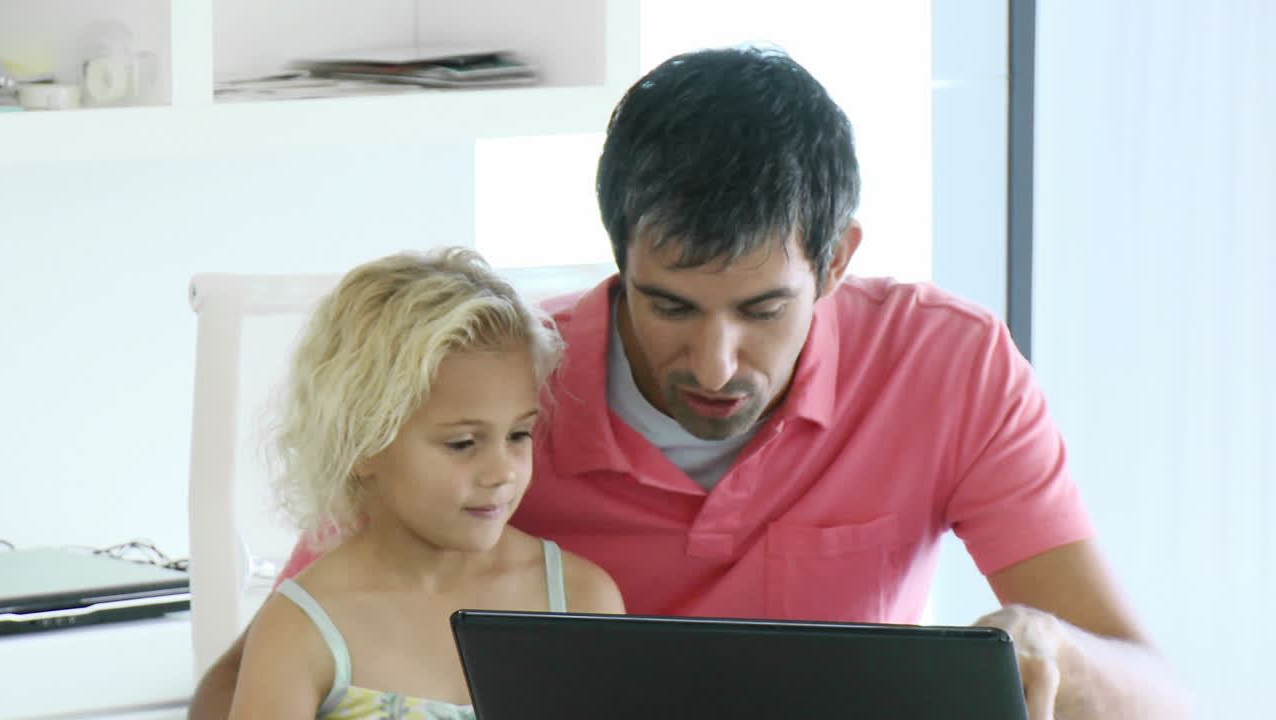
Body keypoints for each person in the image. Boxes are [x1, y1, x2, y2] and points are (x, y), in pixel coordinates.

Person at [195, 47, 1189, 720]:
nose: (713, 367)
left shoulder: (949, 365)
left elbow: (1161, 695)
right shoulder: (491, 389)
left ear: (836, 261)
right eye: (667, 306)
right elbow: (253, 670)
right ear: (615, 258)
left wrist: (1048, 648)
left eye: (761, 311)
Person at [223, 249, 624, 719]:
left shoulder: (579, 601)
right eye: (463, 443)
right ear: (363, 444)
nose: (502, 472)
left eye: (518, 435)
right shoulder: (302, 629)